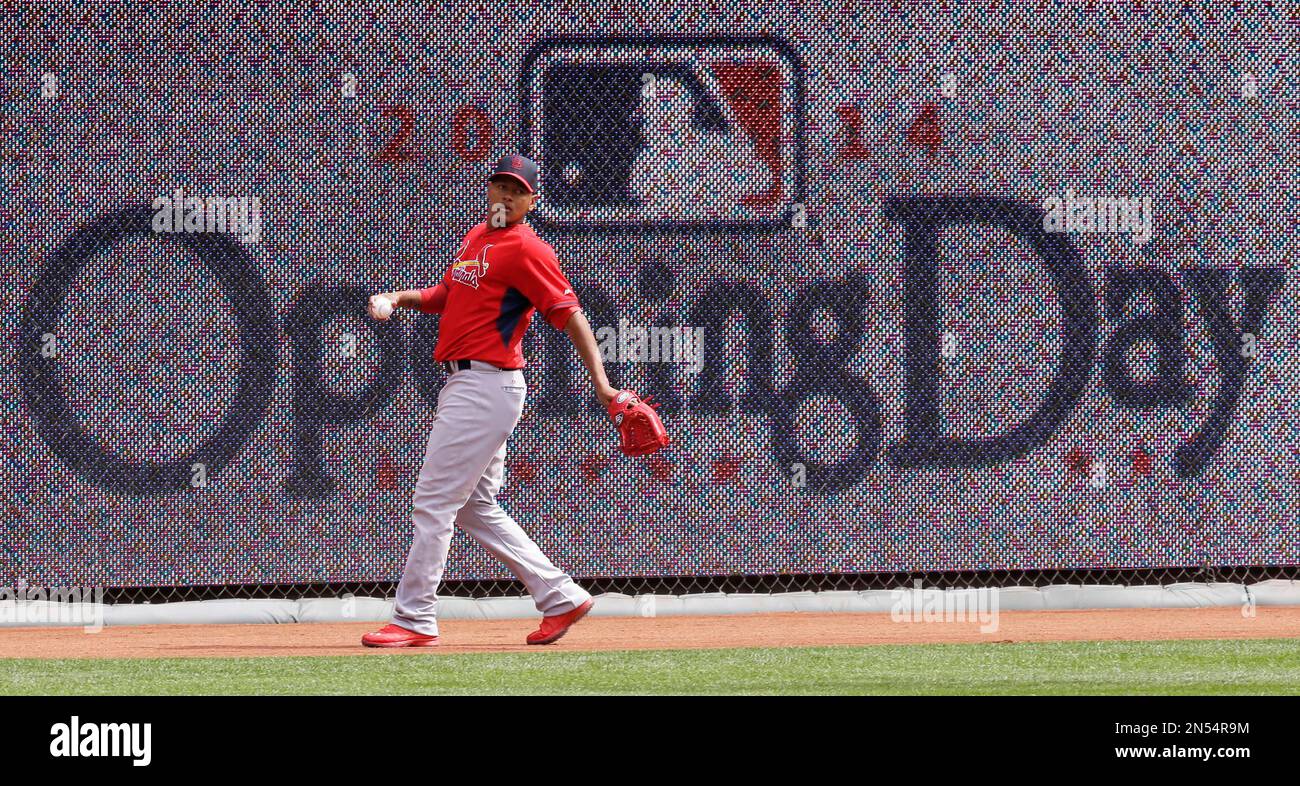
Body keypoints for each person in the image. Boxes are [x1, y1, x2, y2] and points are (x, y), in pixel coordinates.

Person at [361, 154, 617, 647]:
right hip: (471, 385)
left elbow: (571, 316)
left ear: (531, 201)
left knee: (434, 501)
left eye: (515, 190)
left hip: (486, 384)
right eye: (498, 185)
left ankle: (414, 617)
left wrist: (603, 386)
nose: (504, 195)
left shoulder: (527, 248)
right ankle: (560, 596)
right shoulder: (478, 237)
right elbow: (444, 296)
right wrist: (396, 298)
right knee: (475, 506)